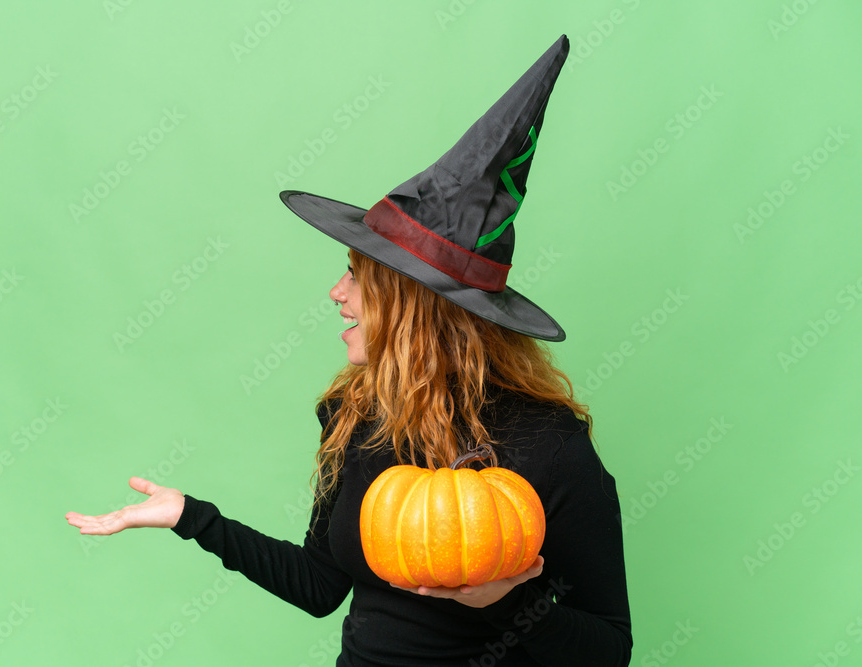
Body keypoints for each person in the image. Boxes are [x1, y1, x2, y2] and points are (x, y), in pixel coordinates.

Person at [66, 36, 631, 666]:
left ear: (417, 307)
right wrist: (191, 517)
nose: (337, 294)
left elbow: (609, 648)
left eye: (358, 276)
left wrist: (501, 603)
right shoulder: (357, 414)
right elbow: (320, 586)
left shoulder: (549, 445)